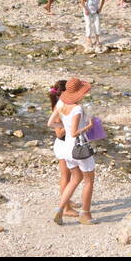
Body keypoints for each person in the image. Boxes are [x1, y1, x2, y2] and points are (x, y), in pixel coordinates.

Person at [49, 77, 95, 225]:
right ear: (79, 93)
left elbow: (50, 123)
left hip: (67, 149)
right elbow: (75, 132)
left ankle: (60, 210)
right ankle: (85, 214)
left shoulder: (61, 104)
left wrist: (64, 124)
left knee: (75, 179)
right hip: (79, 147)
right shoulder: (77, 108)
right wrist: (88, 126)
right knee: (88, 181)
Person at [48, 80, 79, 220]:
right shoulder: (60, 108)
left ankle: (66, 200)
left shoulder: (60, 105)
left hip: (63, 144)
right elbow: (59, 133)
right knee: (66, 176)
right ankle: (66, 208)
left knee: (69, 176)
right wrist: (72, 125)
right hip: (62, 144)